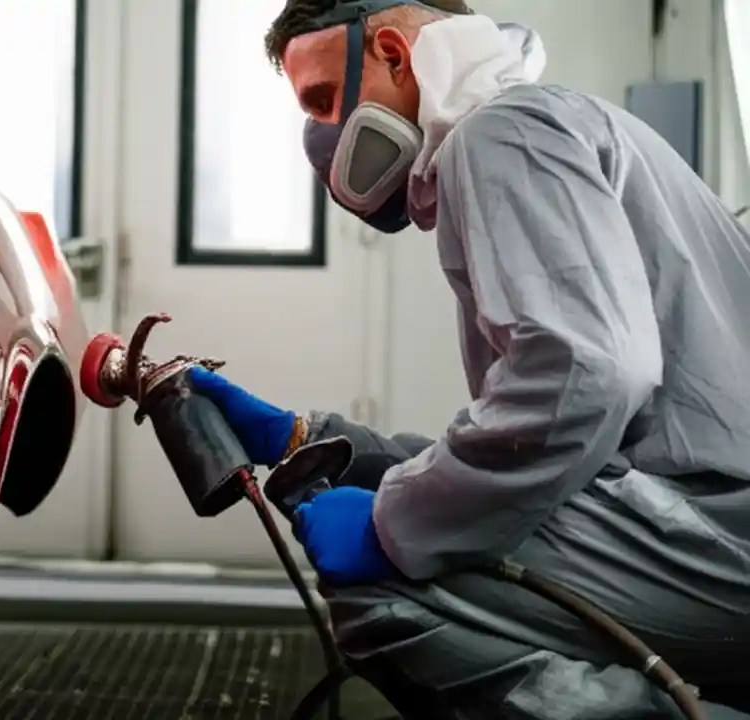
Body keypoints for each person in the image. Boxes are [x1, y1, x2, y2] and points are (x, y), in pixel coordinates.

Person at [187, 1, 750, 717]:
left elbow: (587, 378)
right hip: (702, 522)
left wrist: (392, 526)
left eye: (324, 101)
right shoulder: (553, 121)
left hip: (718, 543)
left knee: (384, 589)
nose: (321, 136)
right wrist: (316, 439)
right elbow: (555, 436)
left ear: (392, 52)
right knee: (448, 521)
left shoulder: (499, 134)